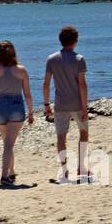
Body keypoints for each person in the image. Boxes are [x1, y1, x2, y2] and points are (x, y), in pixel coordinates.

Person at [0, 41, 35, 188]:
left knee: (7, 143)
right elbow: (27, 94)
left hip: (0, 108)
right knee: (9, 144)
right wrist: (31, 112)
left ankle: (11, 171)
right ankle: (4, 176)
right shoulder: (21, 70)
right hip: (16, 107)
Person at [44, 26, 90, 182]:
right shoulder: (79, 59)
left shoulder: (51, 59)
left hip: (60, 104)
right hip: (77, 104)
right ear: (75, 41)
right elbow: (82, 85)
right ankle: (81, 167)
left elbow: (46, 83)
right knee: (83, 133)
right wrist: (85, 107)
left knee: (61, 137)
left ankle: (64, 170)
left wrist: (46, 104)